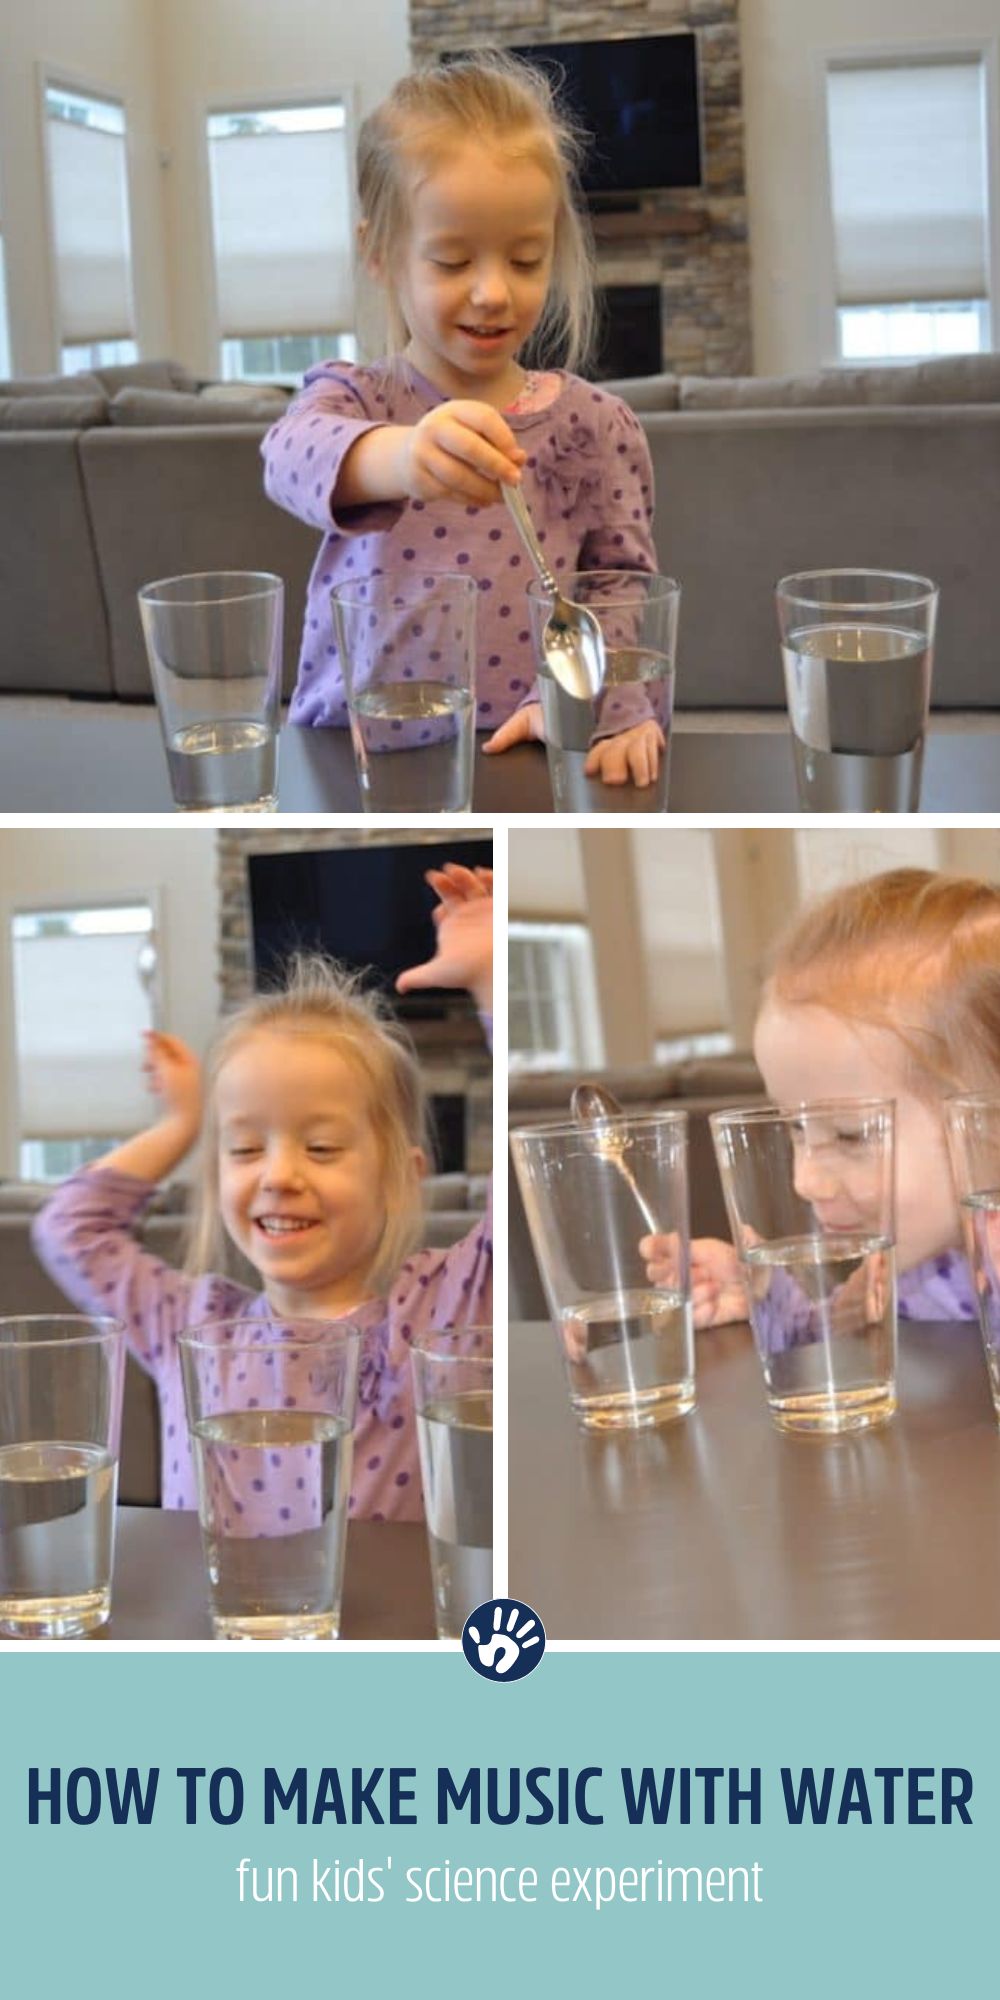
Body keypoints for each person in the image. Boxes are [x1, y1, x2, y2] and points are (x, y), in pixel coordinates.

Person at [31, 864, 493, 1520]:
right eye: (245, 1149)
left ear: (400, 1177)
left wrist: (491, 982)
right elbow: (67, 1228)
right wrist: (181, 1127)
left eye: (322, 1147)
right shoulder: (186, 1327)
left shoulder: (435, 1316)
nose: (277, 1175)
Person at [262, 50, 663, 789]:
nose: (491, 293)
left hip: (523, 750)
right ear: (380, 252)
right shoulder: (354, 400)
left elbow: (619, 584)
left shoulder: (594, 426)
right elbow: (287, 457)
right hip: (349, 753)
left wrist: (620, 707)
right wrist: (401, 456)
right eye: (451, 262)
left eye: (525, 259)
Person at [645, 868, 1000, 1327]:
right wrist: (760, 1293)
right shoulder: (916, 1274)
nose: (805, 1181)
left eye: (851, 1136)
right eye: (795, 1127)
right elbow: (841, 1354)